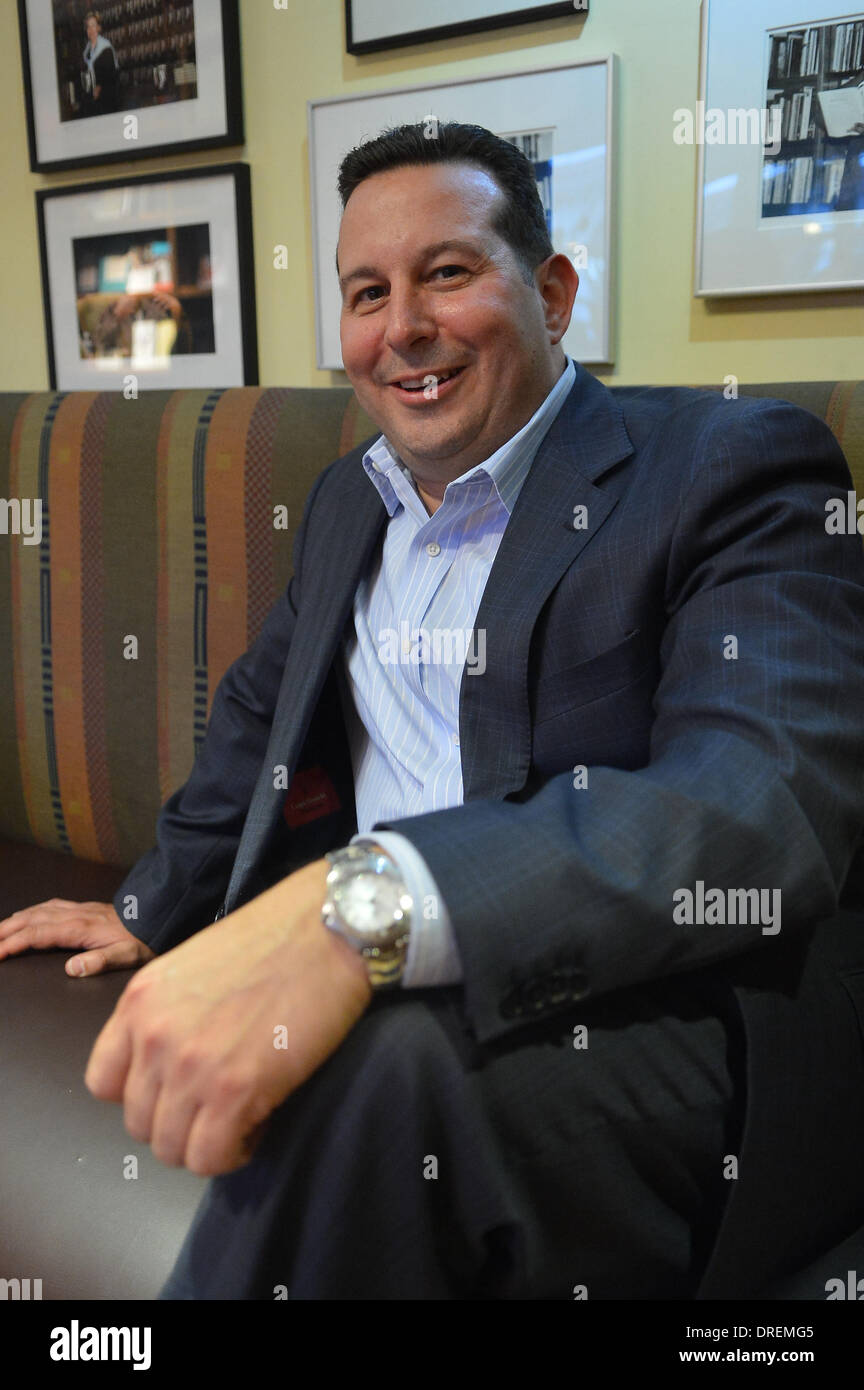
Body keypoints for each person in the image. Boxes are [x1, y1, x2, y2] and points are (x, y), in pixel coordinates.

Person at [2, 122, 864, 1300]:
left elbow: (759, 798)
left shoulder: (730, 463)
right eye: (367, 291)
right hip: (401, 984)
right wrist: (156, 904)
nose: (401, 325)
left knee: (393, 1068)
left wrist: (368, 906)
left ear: (552, 293)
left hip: (651, 1010)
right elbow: (262, 712)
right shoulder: (351, 502)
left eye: (446, 273)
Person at [82, 9, 120, 117]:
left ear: (99, 28)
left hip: (107, 98)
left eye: (93, 26)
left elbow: (110, 75)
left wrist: (98, 87)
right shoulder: (87, 50)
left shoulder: (106, 47)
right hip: (93, 97)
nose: (91, 30)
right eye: (88, 27)